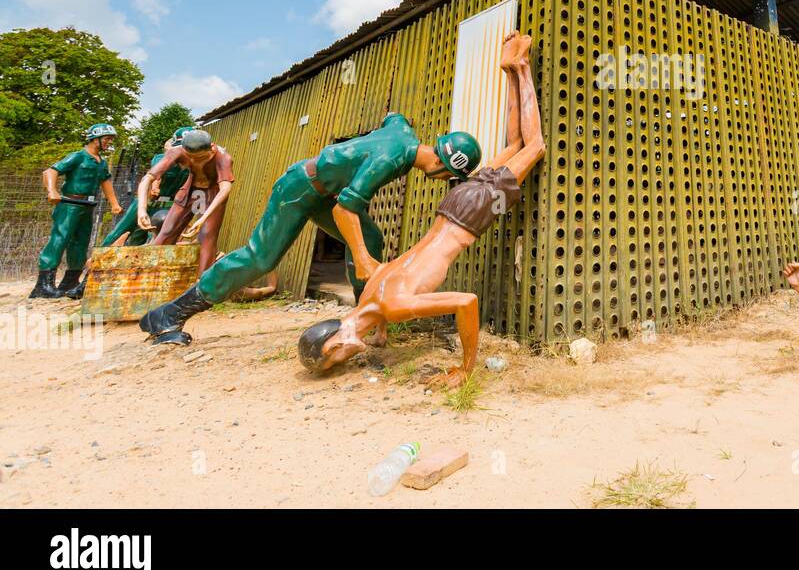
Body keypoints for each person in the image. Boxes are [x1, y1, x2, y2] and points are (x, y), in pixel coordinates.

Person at [298, 32, 544, 386]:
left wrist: (465, 369)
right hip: (454, 207)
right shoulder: (371, 290)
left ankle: (520, 65)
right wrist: (378, 335)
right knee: (516, 144)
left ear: (338, 342)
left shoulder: (390, 305)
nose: (343, 362)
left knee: (534, 145)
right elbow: (377, 317)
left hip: (469, 214)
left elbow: (467, 301)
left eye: (334, 361)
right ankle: (509, 70)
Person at [139, 112, 481, 347]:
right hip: (299, 188)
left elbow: (395, 117)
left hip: (322, 191)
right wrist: (361, 259)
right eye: (447, 176)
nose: (442, 182)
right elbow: (346, 209)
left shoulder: (404, 135)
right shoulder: (391, 159)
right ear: (440, 163)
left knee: (372, 236)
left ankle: (368, 321)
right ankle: (168, 316)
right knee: (261, 258)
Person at [31, 123, 122, 299]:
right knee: (60, 239)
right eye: (107, 138)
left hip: (87, 207)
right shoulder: (78, 157)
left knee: (80, 243)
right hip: (69, 205)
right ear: (95, 139)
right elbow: (50, 171)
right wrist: (52, 190)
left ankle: (70, 281)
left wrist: (114, 203)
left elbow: (106, 182)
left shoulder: (101, 162)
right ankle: (43, 285)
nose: (109, 142)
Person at [135, 128, 234, 275]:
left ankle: (202, 285)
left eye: (199, 158)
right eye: (190, 157)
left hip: (213, 194)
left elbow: (225, 189)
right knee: (166, 232)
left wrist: (203, 218)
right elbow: (147, 179)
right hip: (188, 192)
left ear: (212, 149)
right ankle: (150, 275)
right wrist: (141, 210)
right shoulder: (177, 151)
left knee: (207, 237)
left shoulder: (223, 158)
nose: (193, 161)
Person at [100, 127, 194, 248]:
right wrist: (155, 185)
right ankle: (96, 259)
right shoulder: (161, 158)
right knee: (120, 232)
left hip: (168, 206)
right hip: (147, 201)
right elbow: (155, 175)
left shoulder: (193, 165)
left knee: (157, 240)